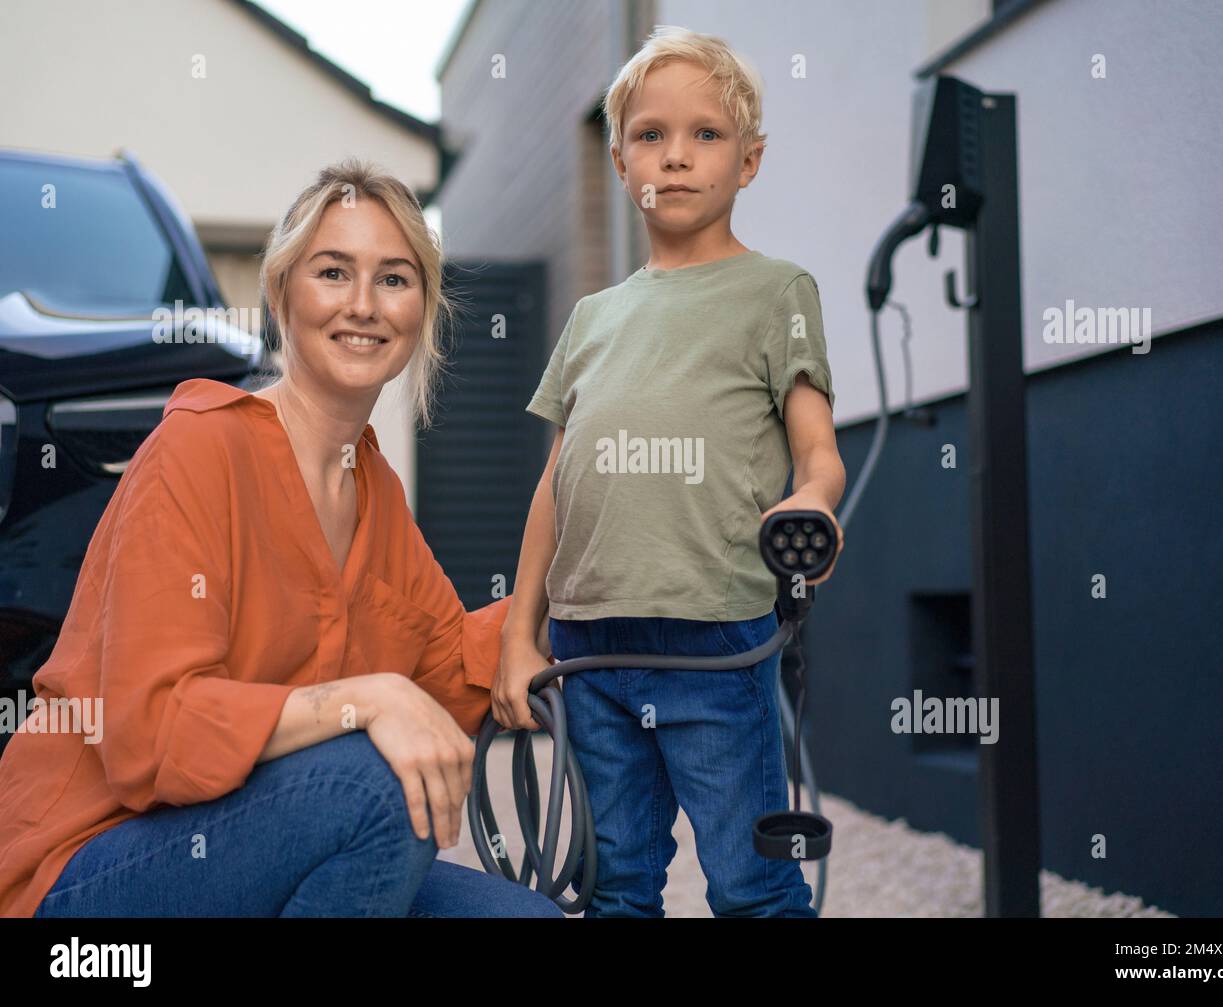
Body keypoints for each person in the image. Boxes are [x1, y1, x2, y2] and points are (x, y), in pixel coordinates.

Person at [0, 159, 562, 918]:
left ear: (421, 311)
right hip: (88, 873)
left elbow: (454, 666)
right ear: (280, 293)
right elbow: (151, 735)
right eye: (334, 271)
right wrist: (365, 699)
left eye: (394, 279)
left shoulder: (374, 491)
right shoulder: (197, 451)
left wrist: (578, 569)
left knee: (519, 917)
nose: (364, 304)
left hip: (259, 841)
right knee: (374, 783)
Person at [493, 26, 846, 917]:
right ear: (619, 162)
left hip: (715, 641)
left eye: (707, 135)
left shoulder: (776, 291)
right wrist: (517, 634)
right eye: (651, 135)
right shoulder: (592, 318)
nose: (677, 157)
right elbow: (556, 486)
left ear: (750, 160)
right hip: (589, 646)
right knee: (614, 886)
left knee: (753, 884)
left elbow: (819, 452)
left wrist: (813, 506)